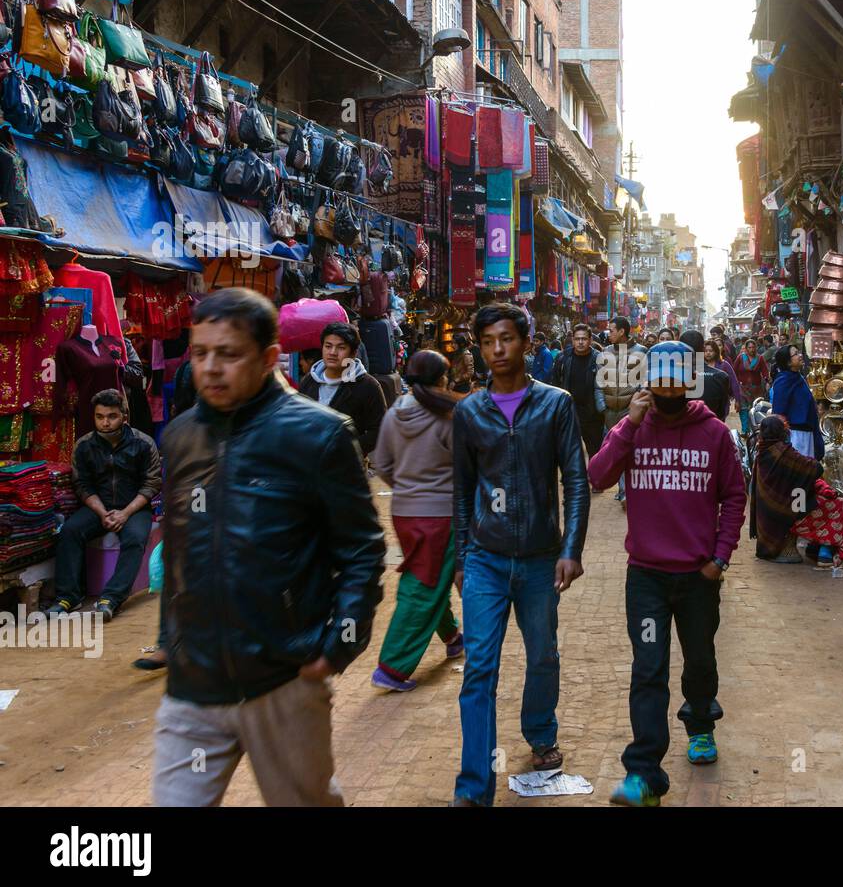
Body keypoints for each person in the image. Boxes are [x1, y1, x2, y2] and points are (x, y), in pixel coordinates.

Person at [152, 288, 385, 806]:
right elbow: (180, 547)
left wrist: (336, 647)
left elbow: (362, 551)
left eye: (228, 354)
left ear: (268, 358)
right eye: (199, 353)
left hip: (284, 680)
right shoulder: (181, 436)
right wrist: (172, 635)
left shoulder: (319, 436)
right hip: (194, 688)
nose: (209, 368)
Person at [588, 341, 746, 807]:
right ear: (648, 379)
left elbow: (734, 497)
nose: (668, 385)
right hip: (647, 578)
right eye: (661, 375)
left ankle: (700, 723)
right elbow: (596, 478)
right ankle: (644, 774)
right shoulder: (631, 428)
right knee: (648, 669)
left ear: (691, 379)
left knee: (699, 659)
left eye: (678, 376)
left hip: (699, 577)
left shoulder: (714, 433)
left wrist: (720, 557)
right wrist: (629, 426)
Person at [452, 302, 590, 807]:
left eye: (506, 339)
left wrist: (570, 549)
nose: (497, 350)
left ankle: (539, 732)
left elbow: (575, 479)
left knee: (542, 655)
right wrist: (463, 557)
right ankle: (473, 788)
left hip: (538, 558)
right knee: (479, 670)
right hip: (485, 559)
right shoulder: (469, 412)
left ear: (526, 342)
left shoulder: (555, 405)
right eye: (488, 342)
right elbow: (461, 489)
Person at [370, 350, 465, 692]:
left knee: (428, 574)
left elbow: (381, 463)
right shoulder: (448, 416)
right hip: (440, 514)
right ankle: (393, 667)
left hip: (404, 512)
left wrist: (407, 488)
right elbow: (466, 469)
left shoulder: (396, 412)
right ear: (443, 378)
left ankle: (453, 637)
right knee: (423, 585)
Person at [47, 389, 161, 620]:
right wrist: (102, 512)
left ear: (124, 417)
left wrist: (125, 513)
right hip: (98, 506)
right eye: (100, 417)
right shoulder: (84, 445)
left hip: (134, 507)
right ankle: (68, 597)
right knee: (70, 531)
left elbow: (151, 484)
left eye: (111, 416)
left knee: (135, 538)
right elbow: (82, 484)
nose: (105, 422)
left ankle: (111, 598)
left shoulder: (143, 443)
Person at [749, 415, 843, 567]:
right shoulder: (783, 452)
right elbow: (816, 468)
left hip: (771, 511)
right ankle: (824, 553)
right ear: (780, 431)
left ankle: (815, 547)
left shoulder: (763, 450)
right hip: (786, 511)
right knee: (841, 506)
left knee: (814, 496)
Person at [298, 322, 388, 455]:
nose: (333, 352)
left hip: (346, 467)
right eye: (328, 346)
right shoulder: (309, 380)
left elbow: (380, 430)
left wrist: (348, 450)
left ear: (353, 353)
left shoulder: (368, 386)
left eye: (341, 347)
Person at [596, 315, 647, 507]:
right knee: (612, 451)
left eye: (611, 330)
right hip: (609, 411)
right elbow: (598, 384)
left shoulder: (641, 352)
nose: (609, 334)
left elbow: (643, 384)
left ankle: (627, 492)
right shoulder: (605, 352)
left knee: (629, 451)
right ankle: (621, 490)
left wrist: (635, 407)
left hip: (629, 411)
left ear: (622, 332)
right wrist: (602, 406)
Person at [551, 323, 606, 460]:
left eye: (584, 339)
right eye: (577, 339)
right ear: (573, 340)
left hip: (592, 415)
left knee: (595, 452)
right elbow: (555, 383)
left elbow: (606, 387)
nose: (580, 342)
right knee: (569, 452)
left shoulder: (600, 359)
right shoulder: (563, 358)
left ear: (590, 340)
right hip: (569, 413)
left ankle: (595, 479)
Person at [769, 344, 824, 459]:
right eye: (796, 354)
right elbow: (779, 413)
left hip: (805, 432)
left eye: (799, 352)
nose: (800, 355)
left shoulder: (797, 377)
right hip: (796, 436)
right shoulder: (784, 380)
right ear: (788, 362)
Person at [679, 329, 731, 423]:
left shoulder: (671, 378)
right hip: (711, 432)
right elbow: (721, 414)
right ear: (703, 348)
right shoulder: (721, 377)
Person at [732, 338, 770, 436]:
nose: (751, 349)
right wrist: (734, 384)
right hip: (742, 388)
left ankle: (756, 430)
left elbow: (765, 371)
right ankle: (745, 430)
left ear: (756, 348)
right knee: (743, 409)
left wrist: (767, 381)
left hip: (756, 389)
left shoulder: (760, 358)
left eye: (753, 347)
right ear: (746, 348)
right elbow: (734, 371)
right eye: (749, 347)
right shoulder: (741, 357)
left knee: (755, 409)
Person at [705, 339, 742, 417]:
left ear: (716, 352)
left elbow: (734, 382)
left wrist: (737, 400)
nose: (708, 353)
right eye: (706, 351)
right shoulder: (699, 366)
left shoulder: (724, 364)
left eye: (711, 351)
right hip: (704, 403)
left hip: (721, 403)